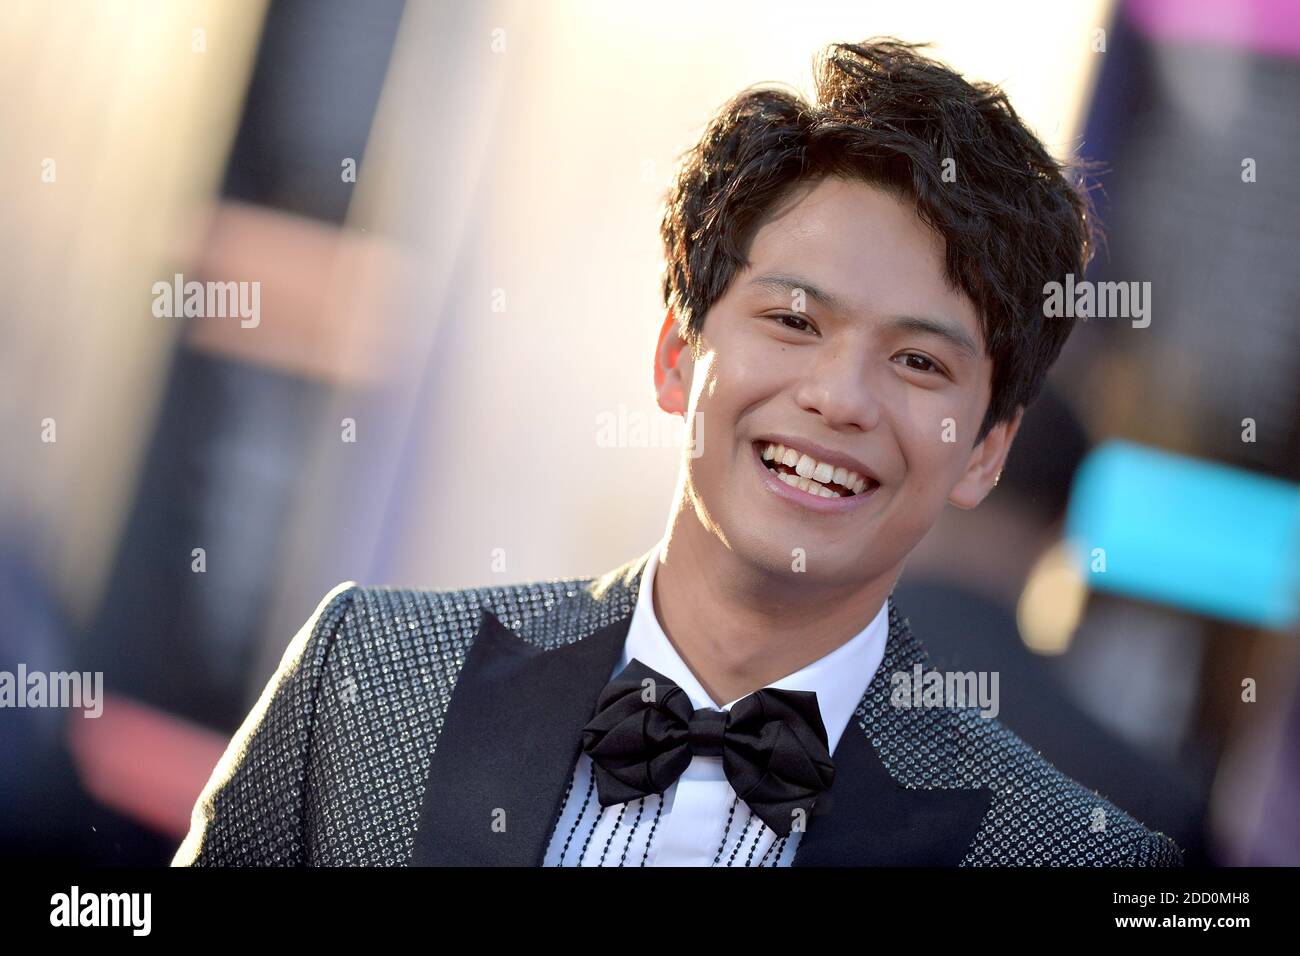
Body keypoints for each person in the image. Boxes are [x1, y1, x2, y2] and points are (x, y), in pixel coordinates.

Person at [173, 38, 1182, 867]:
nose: (837, 395)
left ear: (983, 452)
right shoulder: (371, 675)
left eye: (918, 361)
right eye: (792, 319)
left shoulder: (1069, 855)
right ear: (674, 356)